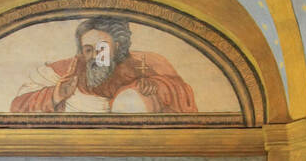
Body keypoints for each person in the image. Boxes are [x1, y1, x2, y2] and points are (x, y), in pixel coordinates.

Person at [11, 17, 198, 114]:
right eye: (87, 49)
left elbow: (180, 95)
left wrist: (157, 89)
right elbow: (18, 106)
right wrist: (55, 95)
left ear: (117, 46)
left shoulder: (143, 65)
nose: (94, 56)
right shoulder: (65, 70)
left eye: (101, 48)